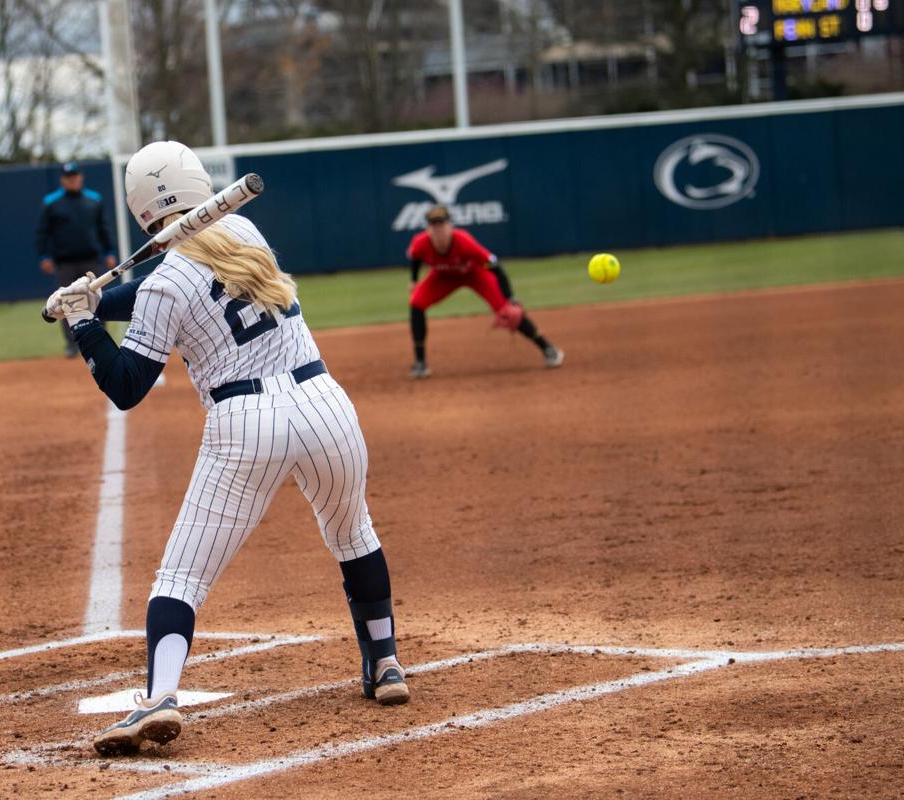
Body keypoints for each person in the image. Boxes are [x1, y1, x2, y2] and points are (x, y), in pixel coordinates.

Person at [44, 141, 410, 757]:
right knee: (354, 534)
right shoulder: (244, 230)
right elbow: (163, 287)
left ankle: (160, 697)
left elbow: (128, 386)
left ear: (138, 207)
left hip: (246, 424)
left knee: (181, 576)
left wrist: (84, 324)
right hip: (326, 407)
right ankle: (387, 664)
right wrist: (92, 301)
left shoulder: (165, 282)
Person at [406, 205, 563, 378]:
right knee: (416, 302)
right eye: (434, 225)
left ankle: (549, 349)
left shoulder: (464, 241)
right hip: (442, 277)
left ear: (450, 226)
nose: (438, 229)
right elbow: (415, 258)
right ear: (428, 229)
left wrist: (510, 298)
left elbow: (495, 266)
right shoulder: (421, 243)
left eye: (441, 224)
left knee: (509, 312)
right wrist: (414, 280)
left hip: (474, 274)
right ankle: (420, 363)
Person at [36, 161, 117, 357]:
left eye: (75, 176)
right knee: (66, 302)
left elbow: (103, 228)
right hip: (65, 261)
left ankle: (100, 340)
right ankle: (72, 345)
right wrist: (44, 256)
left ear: (80, 177)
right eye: (68, 177)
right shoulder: (51, 202)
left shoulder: (94, 200)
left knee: (96, 300)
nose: (72, 180)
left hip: (91, 259)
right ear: (62, 180)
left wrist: (109, 252)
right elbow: (42, 232)